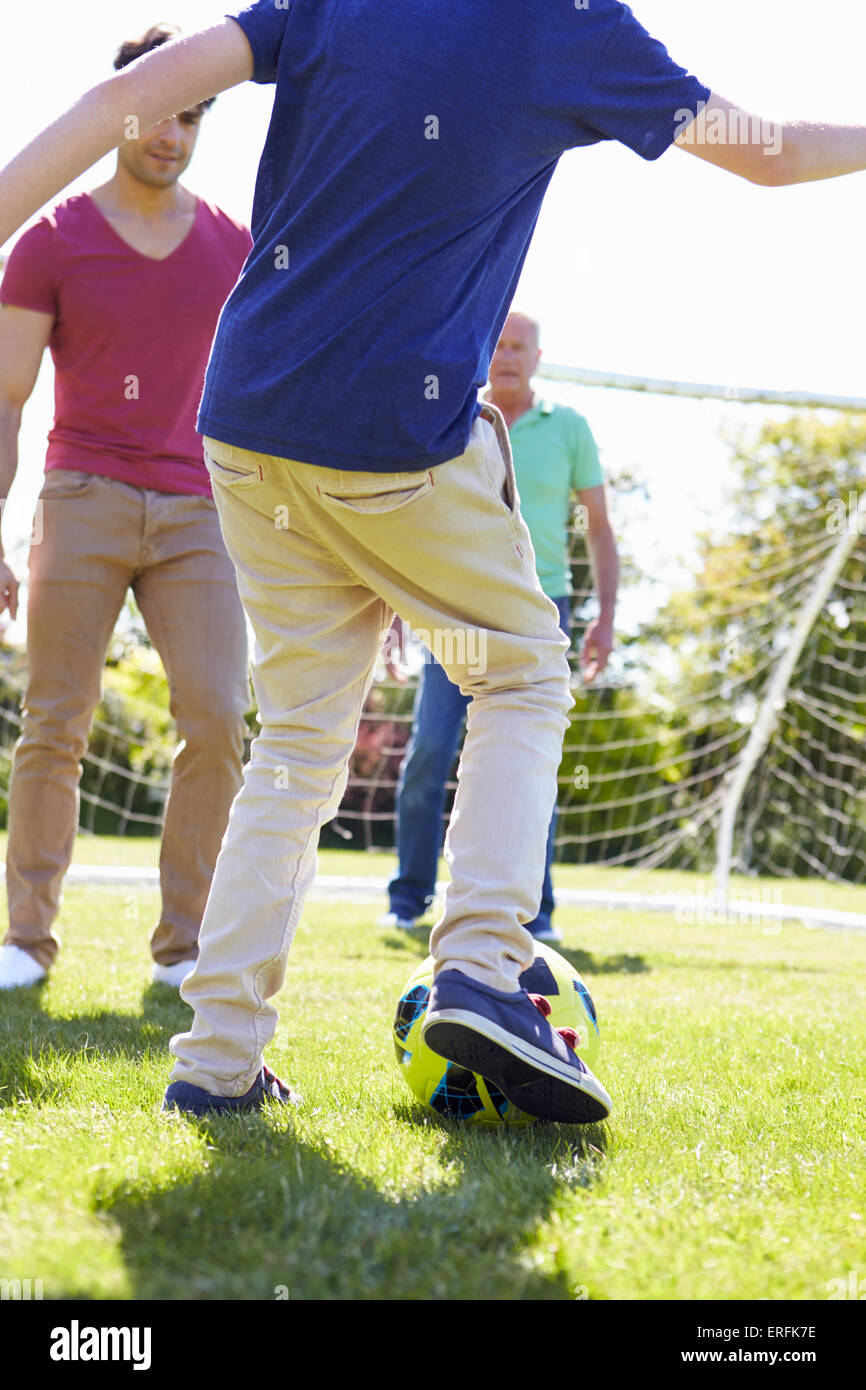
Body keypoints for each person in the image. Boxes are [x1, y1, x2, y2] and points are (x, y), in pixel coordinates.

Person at [3, 3, 866, 1123]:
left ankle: (215, 1058)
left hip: (250, 431)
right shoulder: (571, 27)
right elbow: (775, 153)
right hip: (391, 448)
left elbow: (126, 97)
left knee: (300, 739)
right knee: (515, 670)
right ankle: (481, 966)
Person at [0, 24, 252, 991]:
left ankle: (184, 949)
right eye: (161, 111)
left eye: (195, 115)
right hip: (83, 496)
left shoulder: (232, 245)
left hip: (199, 514)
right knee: (55, 720)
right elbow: (8, 395)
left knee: (218, 716)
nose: (174, 133)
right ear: (122, 107)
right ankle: (27, 940)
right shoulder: (49, 242)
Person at [384, 310, 618, 942]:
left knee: (528, 758)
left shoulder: (569, 427)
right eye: (500, 344)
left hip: (545, 610)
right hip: (454, 608)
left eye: (521, 346)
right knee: (431, 750)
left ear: (538, 357)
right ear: (484, 351)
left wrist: (605, 620)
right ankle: (407, 898)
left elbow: (598, 526)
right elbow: (411, 519)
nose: (509, 355)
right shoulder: (454, 419)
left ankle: (534, 912)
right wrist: (397, 608)